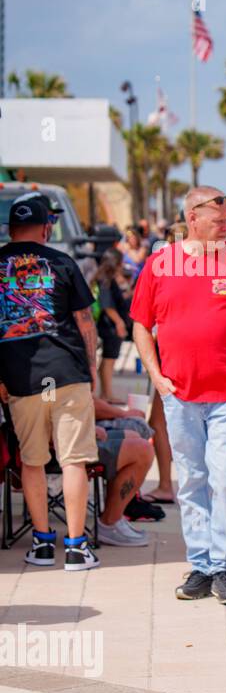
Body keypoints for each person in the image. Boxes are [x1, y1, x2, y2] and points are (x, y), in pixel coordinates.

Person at [131, 186, 226, 604]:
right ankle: (200, 564)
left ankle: (224, 567)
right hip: (179, 394)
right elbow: (141, 325)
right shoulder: (161, 263)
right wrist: (156, 376)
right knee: (193, 479)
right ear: (193, 219)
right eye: (220, 222)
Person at [0, 192, 101, 571]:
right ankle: (76, 548)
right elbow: (84, 321)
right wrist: (91, 370)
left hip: (22, 379)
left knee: (32, 461)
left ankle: (42, 545)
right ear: (46, 228)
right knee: (73, 460)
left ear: (10, 229)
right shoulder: (62, 262)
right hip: (65, 374)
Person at [90, 397, 155, 547]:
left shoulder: (50, 379)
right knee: (142, 450)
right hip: (62, 443)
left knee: (134, 435)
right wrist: (123, 413)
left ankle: (115, 517)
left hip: (70, 432)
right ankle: (109, 524)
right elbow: (50, 405)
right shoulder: (50, 379)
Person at [92, 249, 131, 403]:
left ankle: (105, 394)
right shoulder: (106, 279)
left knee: (107, 360)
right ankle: (107, 394)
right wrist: (120, 323)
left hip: (109, 325)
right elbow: (107, 305)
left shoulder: (104, 278)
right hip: (111, 326)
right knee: (109, 360)